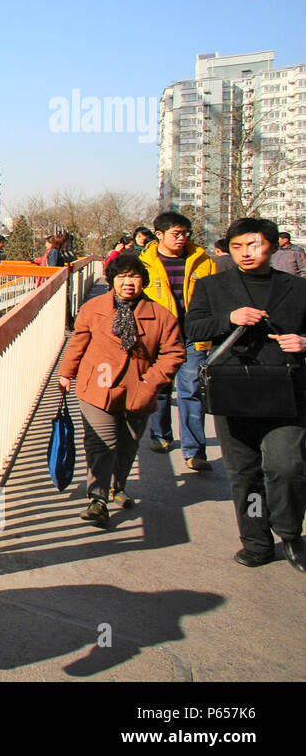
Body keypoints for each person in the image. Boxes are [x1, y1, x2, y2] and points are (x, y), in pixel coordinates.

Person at [186, 218, 306, 572]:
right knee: (244, 472)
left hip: (286, 389)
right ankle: (256, 541)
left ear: (273, 245)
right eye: (237, 246)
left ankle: (290, 533)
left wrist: (304, 342)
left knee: (287, 466)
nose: (245, 253)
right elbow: (193, 328)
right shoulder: (212, 286)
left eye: (253, 245)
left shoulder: (298, 288)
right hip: (233, 389)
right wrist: (229, 318)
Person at [58, 254, 185, 525]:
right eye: (122, 277)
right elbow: (78, 343)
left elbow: (174, 353)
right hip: (96, 386)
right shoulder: (93, 308)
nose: (128, 282)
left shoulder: (161, 316)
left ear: (144, 281)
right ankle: (98, 499)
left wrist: (150, 381)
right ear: (112, 280)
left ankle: (117, 486)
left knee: (128, 444)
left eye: (134, 277)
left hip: (138, 390)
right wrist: (66, 373)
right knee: (101, 442)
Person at [139, 211, 217, 471]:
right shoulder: (145, 263)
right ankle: (160, 436)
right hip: (159, 337)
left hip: (194, 336)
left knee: (192, 391)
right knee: (160, 388)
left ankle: (194, 452)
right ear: (159, 235)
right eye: (176, 233)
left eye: (185, 233)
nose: (182, 238)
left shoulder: (203, 262)